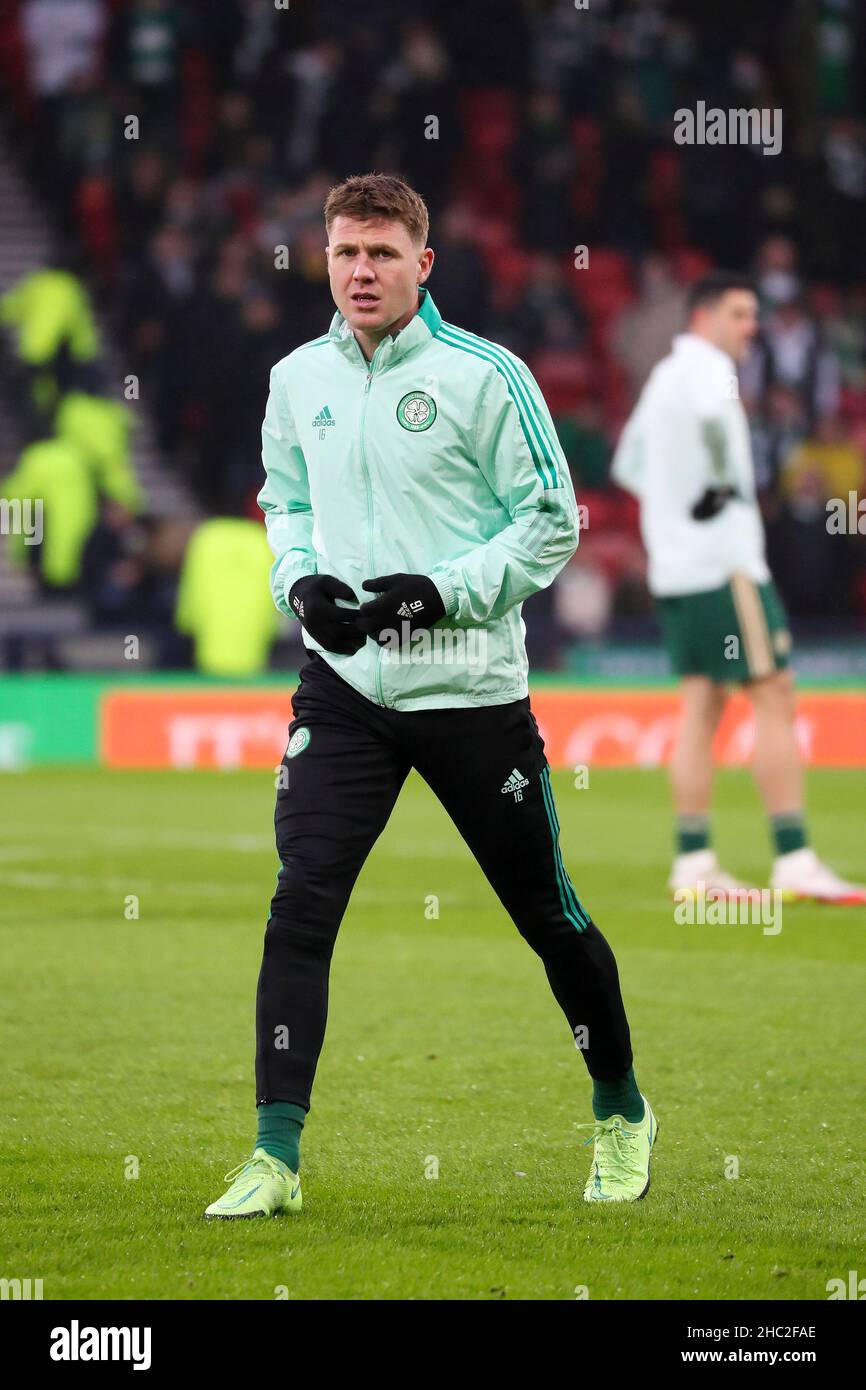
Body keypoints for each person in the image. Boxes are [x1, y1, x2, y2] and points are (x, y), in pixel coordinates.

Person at [204, 173, 657, 1219]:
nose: (360, 272)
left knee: (545, 914)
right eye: (344, 252)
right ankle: (275, 1156)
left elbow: (550, 520)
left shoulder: (485, 377)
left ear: (423, 264)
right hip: (346, 689)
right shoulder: (296, 377)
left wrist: (440, 593)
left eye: (380, 254)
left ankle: (619, 1106)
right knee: (299, 903)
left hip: (467, 691)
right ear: (323, 259)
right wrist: (300, 582)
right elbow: (287, 503)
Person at [612, 271, 865, 904]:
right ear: (705, 317)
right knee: (776, 692)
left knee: (702, 706)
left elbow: (628, 464)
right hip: (725, 565)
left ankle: (694, 863)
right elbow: (719, 441)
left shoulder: (666, 376)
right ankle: (794, 858)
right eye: (741, 314)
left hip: (677, 567)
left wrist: (673, 514)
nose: (752, 327)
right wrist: (723, 488)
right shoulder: (709, 376)